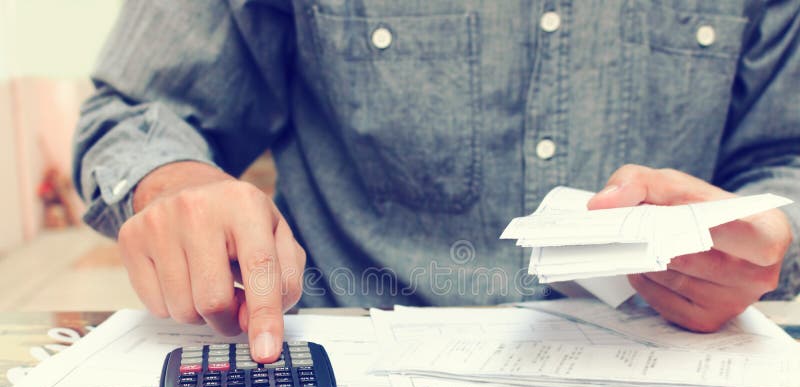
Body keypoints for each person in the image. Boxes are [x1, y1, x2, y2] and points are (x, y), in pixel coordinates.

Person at [73, 1, 800, 363]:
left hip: (669, 375)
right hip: (345, 370)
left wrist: (773, 239)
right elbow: (137, 110)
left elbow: (785, 158)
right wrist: (172, 187)